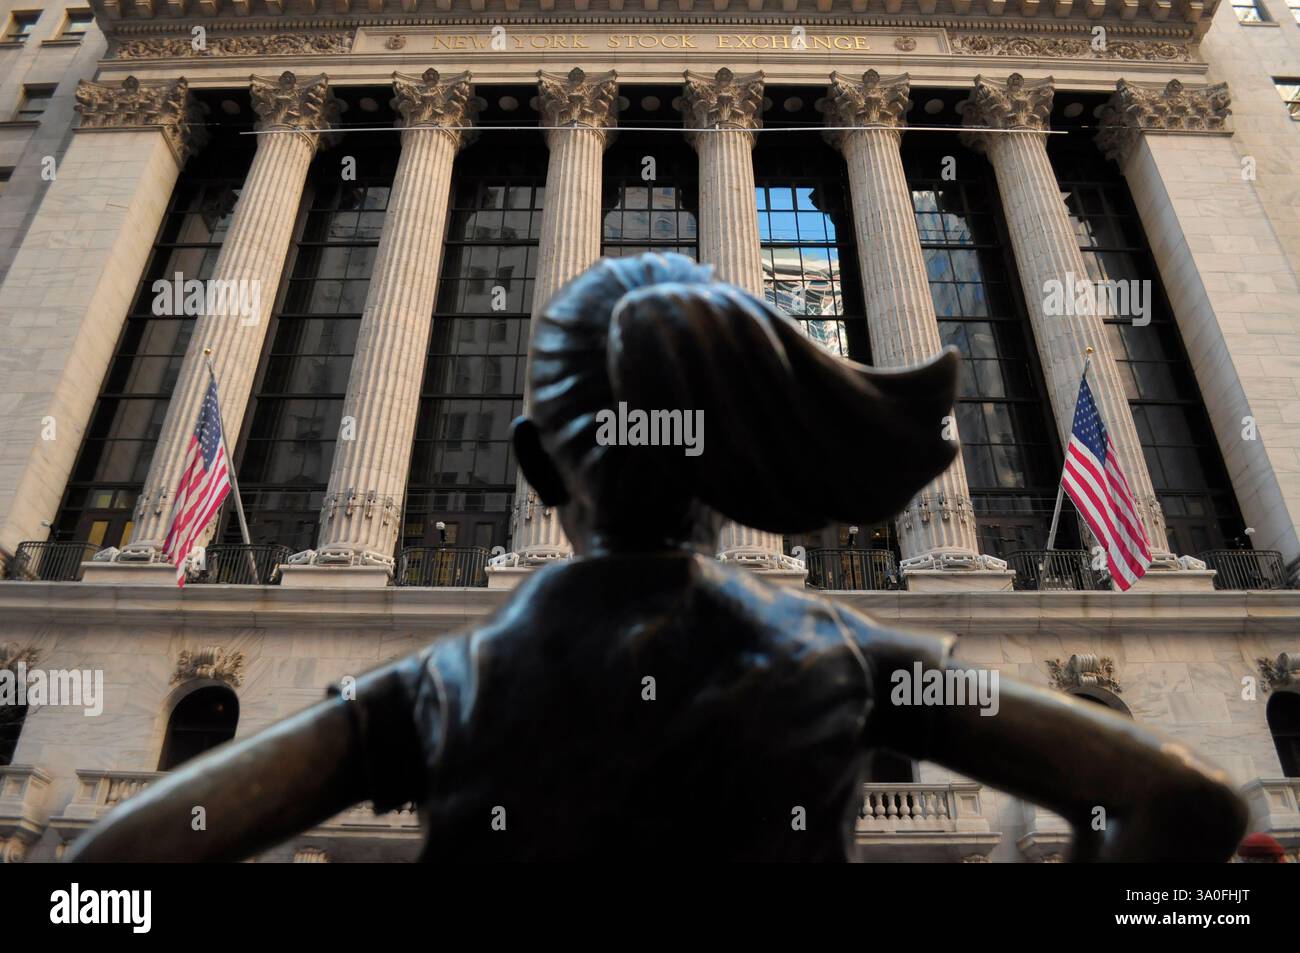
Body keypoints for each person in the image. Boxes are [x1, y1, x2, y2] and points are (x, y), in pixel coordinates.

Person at [67, 253, 1247, 862]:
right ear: (731, 461)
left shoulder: (443, 688)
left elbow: (111, 864)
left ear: (537, 466)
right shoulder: (846, 657)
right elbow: (1181, 799)